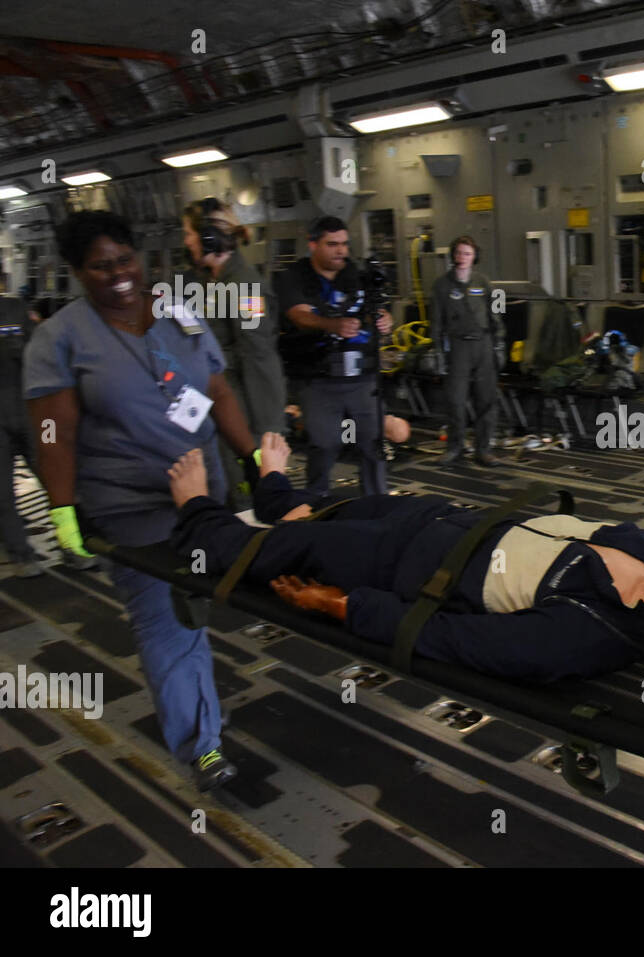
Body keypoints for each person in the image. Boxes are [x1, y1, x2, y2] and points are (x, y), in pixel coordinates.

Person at [163, 433, 644, 685]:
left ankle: (194, 508)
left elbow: (447, 637)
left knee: (248, 553)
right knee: (325, 506)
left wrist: (343, 604)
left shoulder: (587, 636)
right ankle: (277, 495)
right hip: (440, 518)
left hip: (396, 565)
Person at [23, 210, 266, 791]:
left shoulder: (177, 310)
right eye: (100, 267)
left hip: (202, 492)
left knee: (200, 606)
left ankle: (199, 705)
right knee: (165, 622)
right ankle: (201, 745)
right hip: (130, 505)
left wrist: (253, 459)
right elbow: (53, 430)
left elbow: (216, 389)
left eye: (124, 260)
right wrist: (61, 506)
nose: (118, 275)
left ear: (141, 257)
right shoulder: (59, 339)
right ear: (78, 273)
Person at [181, 197, 286, 509]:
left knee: (243, 497)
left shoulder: (244, 289)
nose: (186, 241)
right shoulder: (207, 284)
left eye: (189, 233)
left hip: (238, 414)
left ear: (209, 238)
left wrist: (266, 433)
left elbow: (259, 358)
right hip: (209, 407)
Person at [276, 216, 392, 497]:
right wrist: (332, 325)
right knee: (325, 444)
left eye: (344, 244)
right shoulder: (292, 277)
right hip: (318, 378)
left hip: (362, 377)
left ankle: (377, 503)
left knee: (372, 444)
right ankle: (315, 503)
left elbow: (376, 308)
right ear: (313, 244)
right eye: (332, 244)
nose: (341, 251)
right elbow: (299, 316)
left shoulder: (354, 274)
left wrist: (384, 319)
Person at [428, 234, 503, 467]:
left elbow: (495, 316)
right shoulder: (441, 285)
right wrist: (438, 351)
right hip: (458, 347)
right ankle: (455, 447)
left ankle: (483, 449)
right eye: (459, 253)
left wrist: (499, 344)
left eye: (467, 254)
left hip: (483, 345)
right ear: (452, 256)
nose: (462, 258)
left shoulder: (484, 282)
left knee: (486, 400)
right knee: (456, 401)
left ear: (474, 257)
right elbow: (436, 323)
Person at [1, 294, 42, 577]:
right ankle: (21, 555)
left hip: (29, 413)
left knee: (55, 478)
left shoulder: (14, 308)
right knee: (2, 493)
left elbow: (40, 352)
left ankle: (75, 547)